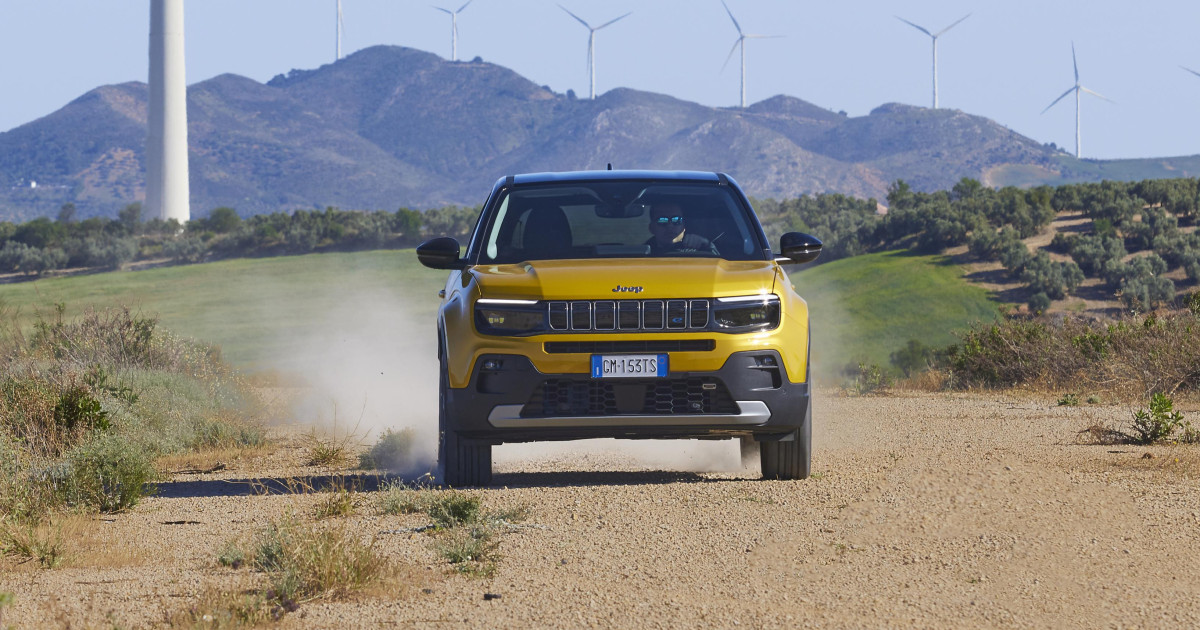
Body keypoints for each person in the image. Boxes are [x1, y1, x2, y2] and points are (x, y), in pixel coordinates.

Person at [645, 202, 718, 255]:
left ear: (684, 226)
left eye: (676, 220)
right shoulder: (642, 254)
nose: (670, 226)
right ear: (651, 228)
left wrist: (707, 245)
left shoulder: (702, 247)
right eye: (662, 220)